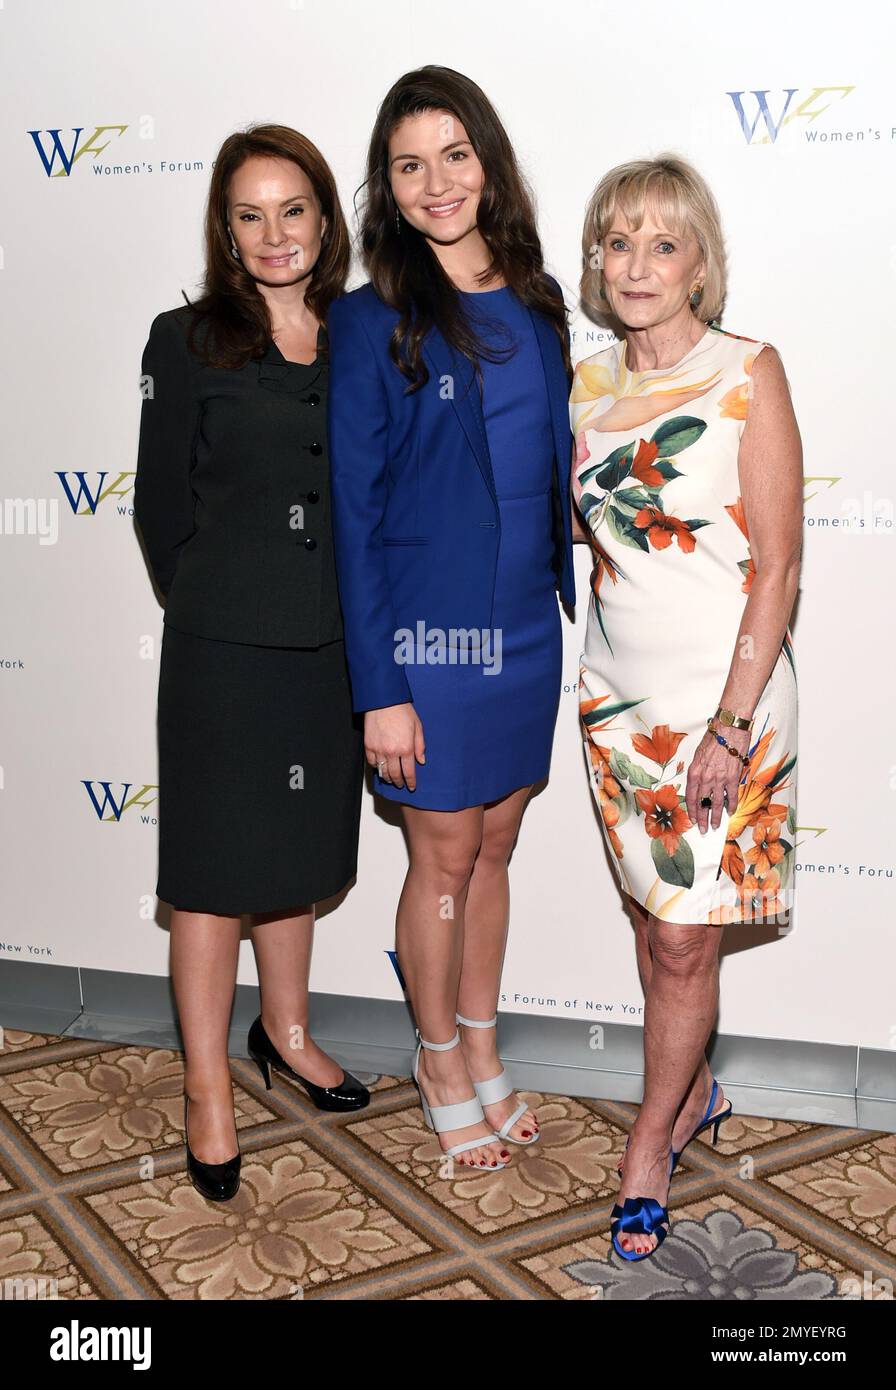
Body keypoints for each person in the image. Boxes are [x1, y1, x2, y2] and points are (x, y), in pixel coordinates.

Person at [328, 66, 576, 1170]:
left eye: (454, 155)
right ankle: (435, 1054)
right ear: (385, 184)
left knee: (495, 847)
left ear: (487, 159)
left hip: (524, 623)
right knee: (439, 859)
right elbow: (352, 508)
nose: (436, 183)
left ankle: (480, 1043)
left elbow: (553, 460)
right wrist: (379, 682)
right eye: (408, 164)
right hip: (426, 640)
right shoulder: (369, 316)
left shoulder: (536, 297)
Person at [570, 154, 801, 1257]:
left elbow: (776, 568)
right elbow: (591, 532)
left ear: (699, 262)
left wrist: (728, 722)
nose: (636, 263)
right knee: (658, 932)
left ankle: (649, 1144)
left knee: (674, 940)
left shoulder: (747, 370)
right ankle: (694, 1086)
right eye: (617, 240)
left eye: (662, 242)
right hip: (615, 706)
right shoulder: (584, 386)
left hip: (724, 705)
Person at [134, 124, 368, 1204]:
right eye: (249, 214)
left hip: (330, 652)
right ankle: (206, 1089)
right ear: (225, 231)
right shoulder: (183, 342)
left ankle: (286, 1033)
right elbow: (158, 514)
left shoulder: (362, 333)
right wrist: (225, 603)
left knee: (295, 855)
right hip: (225, 654)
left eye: (293, 210)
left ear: (325, 220)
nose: (274, 234)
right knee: (210, 878)